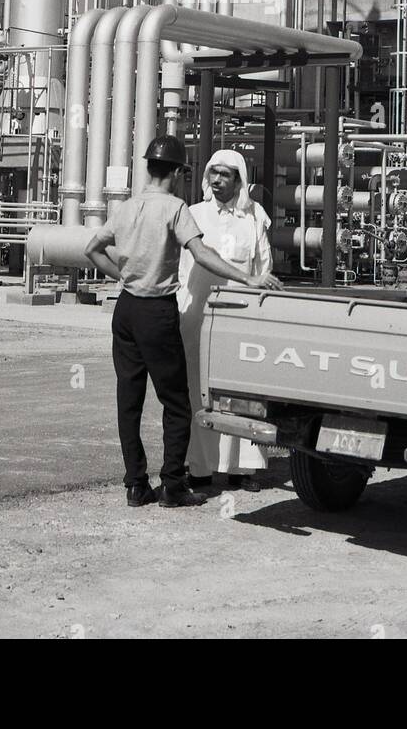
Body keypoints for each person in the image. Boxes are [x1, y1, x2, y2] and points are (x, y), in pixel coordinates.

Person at [85, 135, 275, 510]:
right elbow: (202, 255)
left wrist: (121, 277)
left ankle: (136, 486)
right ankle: (173, 486)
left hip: (126, 310)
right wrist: (248, 279)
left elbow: (91, 249)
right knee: (176, 404)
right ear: (175, 172)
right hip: (157, 311)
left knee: (130, 401)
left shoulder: (126, 207)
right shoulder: (175, 208)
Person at [179, 149, 278, 491]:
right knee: (198, 392)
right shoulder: (193, 215)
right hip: (197, 319)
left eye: (225, 174)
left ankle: (243, 468)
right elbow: (182, 269)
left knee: (242, 391)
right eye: (214, 173)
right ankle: (200, 468)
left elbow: (263, 270)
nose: (218, 180)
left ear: (239, 179)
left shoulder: (254, 218)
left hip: (240, 320)